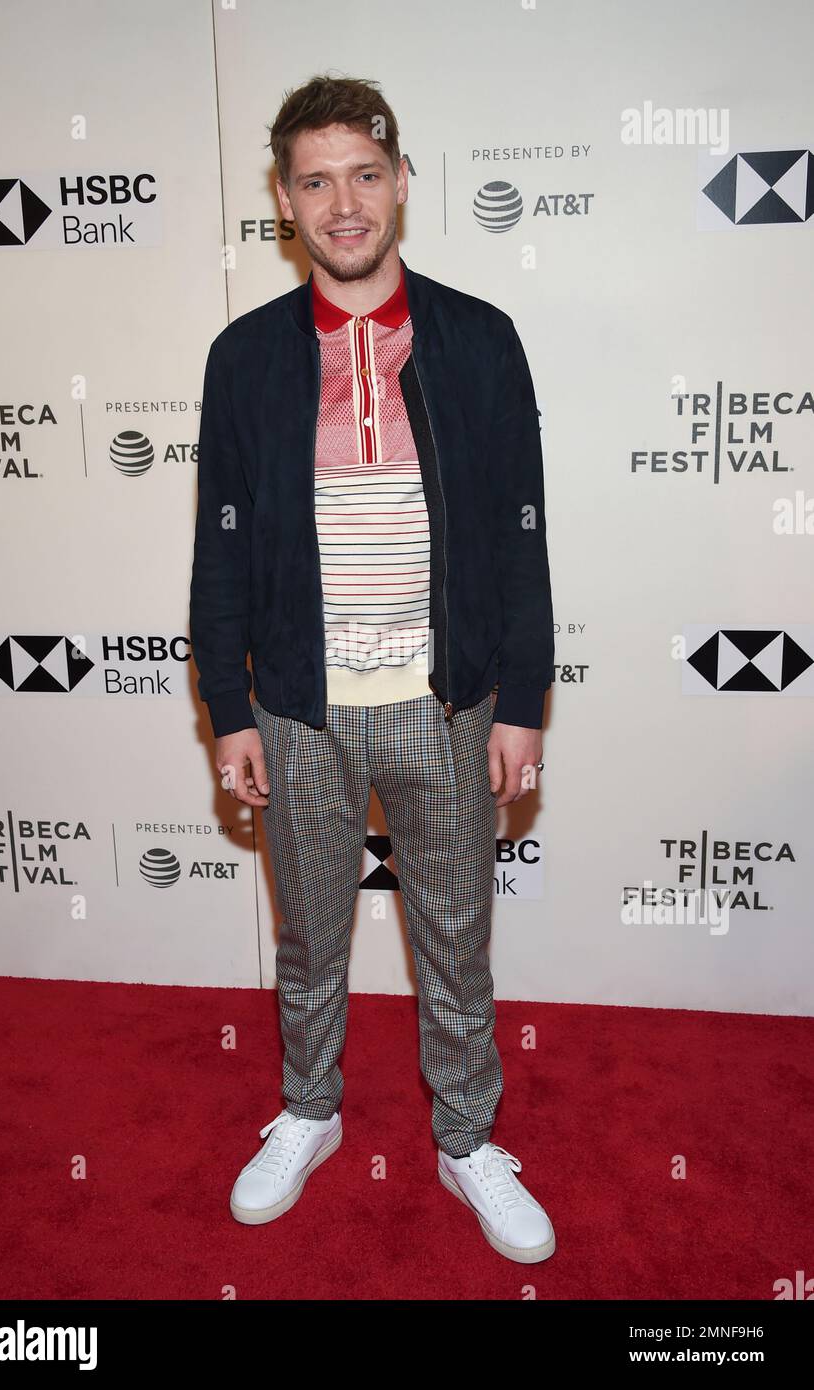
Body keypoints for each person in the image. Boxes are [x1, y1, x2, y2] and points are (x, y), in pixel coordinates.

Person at [188, 74, 556, 1264]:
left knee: (454, 935)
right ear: (284, 204)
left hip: (447, 700)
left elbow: (518, 532)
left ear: (401, 182)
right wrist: (228, 707)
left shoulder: (479, 338)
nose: (342, 202)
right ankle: (307, 1111)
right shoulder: (244, 356)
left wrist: (525, 700)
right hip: (298, 708)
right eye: (314, 180)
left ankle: (464, 1138)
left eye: (363, 173)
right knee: (310, 936)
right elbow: (220, 540)